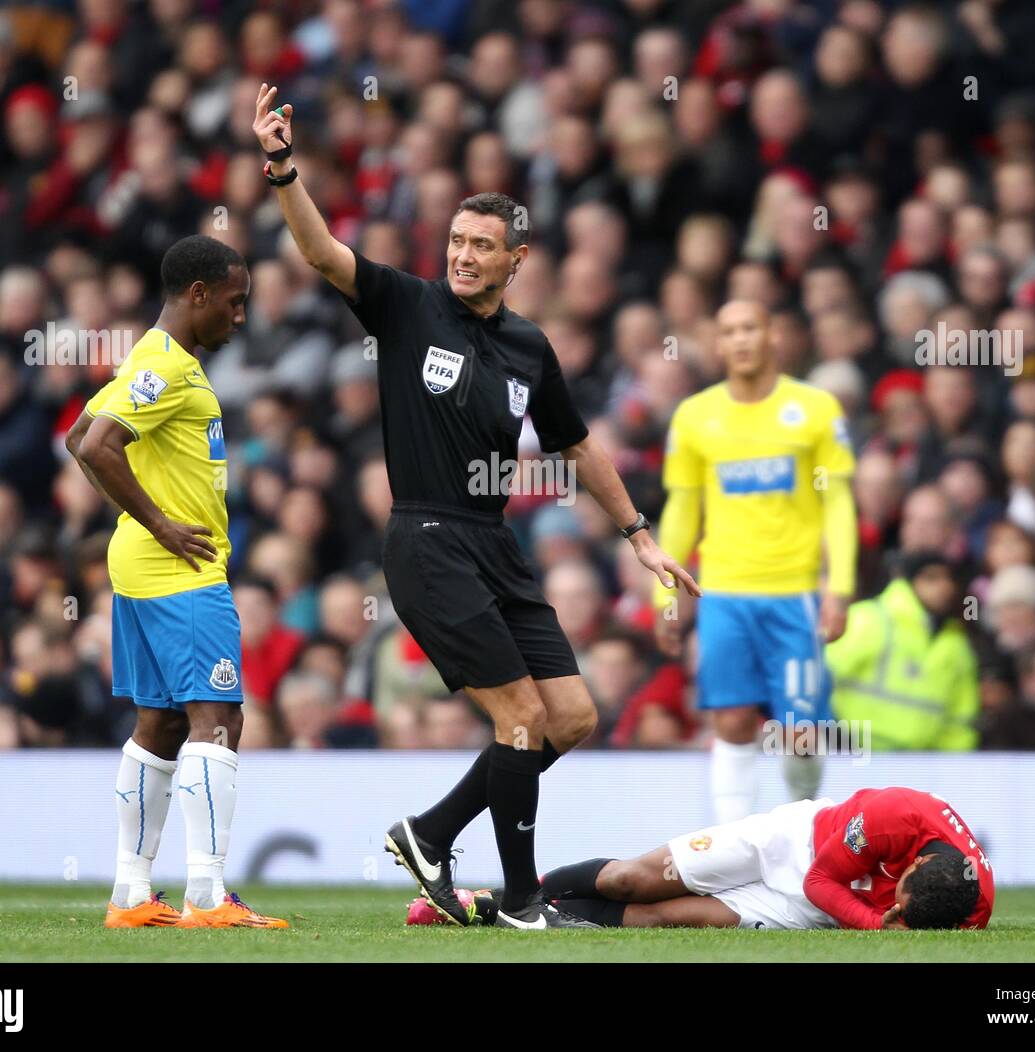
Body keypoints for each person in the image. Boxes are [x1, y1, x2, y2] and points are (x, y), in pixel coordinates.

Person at [254, 85, 698, 929]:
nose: (463, 255)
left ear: (515, 259)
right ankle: (525, 901)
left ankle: (431, 831)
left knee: (570, 716)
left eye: (482, 245)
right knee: (521, 717)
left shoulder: (531, 346)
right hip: (426, 538)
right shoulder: (407, 304)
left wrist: (638, 533)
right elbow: (319, 252)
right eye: (456, 240)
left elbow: (577, 447)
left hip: (493, 543)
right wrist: (282, 167)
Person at [66, 235, 286, 929]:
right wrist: (161, 522)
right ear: (198, 295)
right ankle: (208, 894)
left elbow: (79, 437)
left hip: (143, 568)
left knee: (160, 723)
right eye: (234, 301)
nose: (240, 315)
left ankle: (131, 894)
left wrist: (143, 522)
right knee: (218, 718)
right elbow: (96, 445)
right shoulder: (164, 364)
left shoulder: (152, 360)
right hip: (179, 570)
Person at [654, 299, 857, 821]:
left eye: (751, 327)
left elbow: (838, 502)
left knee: (803, 733)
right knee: (733, 721)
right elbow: (682, 511)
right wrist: (666, 595)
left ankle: (807, 837)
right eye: (729, 331)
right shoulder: (696, 416)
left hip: (796, 596)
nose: (741, 339)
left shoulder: (815, 409)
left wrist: (839, 588)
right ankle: (731, 848)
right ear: (717, 345)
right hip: (724, 594)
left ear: (773, 336)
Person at [409, 786, 993, 931]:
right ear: (912, 865)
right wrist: (874, 923)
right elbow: (820, 879)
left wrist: (899, 920)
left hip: (813, 907)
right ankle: (523, 894)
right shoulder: (897, 816)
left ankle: (479, 907)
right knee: (631, 880)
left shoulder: (970, 904)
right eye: (902, 898)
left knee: (674, 918)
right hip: (797, 846)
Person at [826, 551, 980, 751]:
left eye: (949, 579)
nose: (944, 587)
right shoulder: (870, 619)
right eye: (931, 578)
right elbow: (824, 674)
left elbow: (959, 719)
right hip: (850, 752)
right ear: (909, 582)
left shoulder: (957, 643)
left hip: (919, 763)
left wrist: (950, 767)